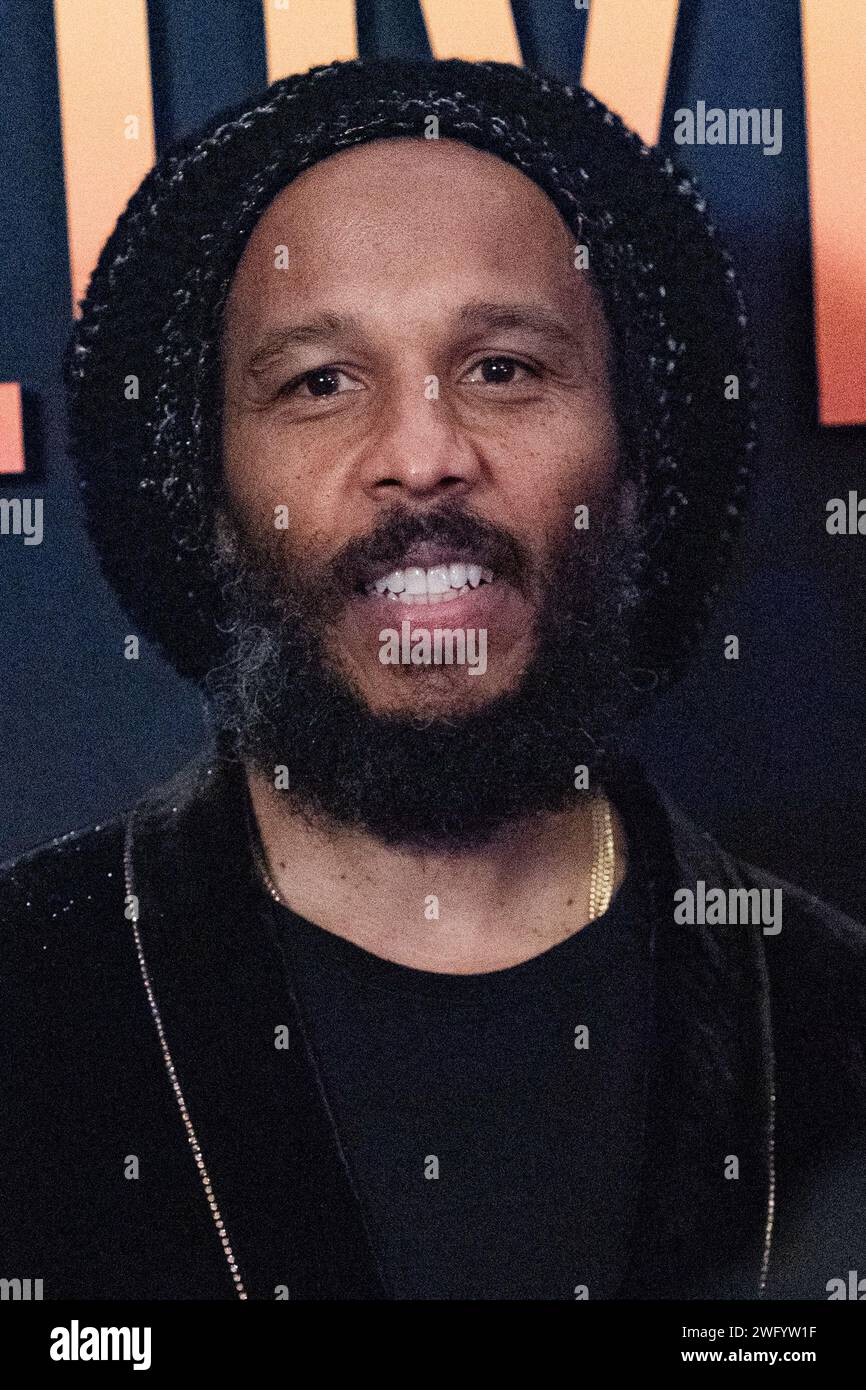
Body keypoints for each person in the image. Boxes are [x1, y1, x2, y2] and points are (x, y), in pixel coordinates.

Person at [2, 57, 865, 1302]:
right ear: (216, 505)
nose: (421, 454)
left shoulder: (832, 1029)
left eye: (502, 368)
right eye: (319, 383)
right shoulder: (29, 1000)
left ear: (630, 469)